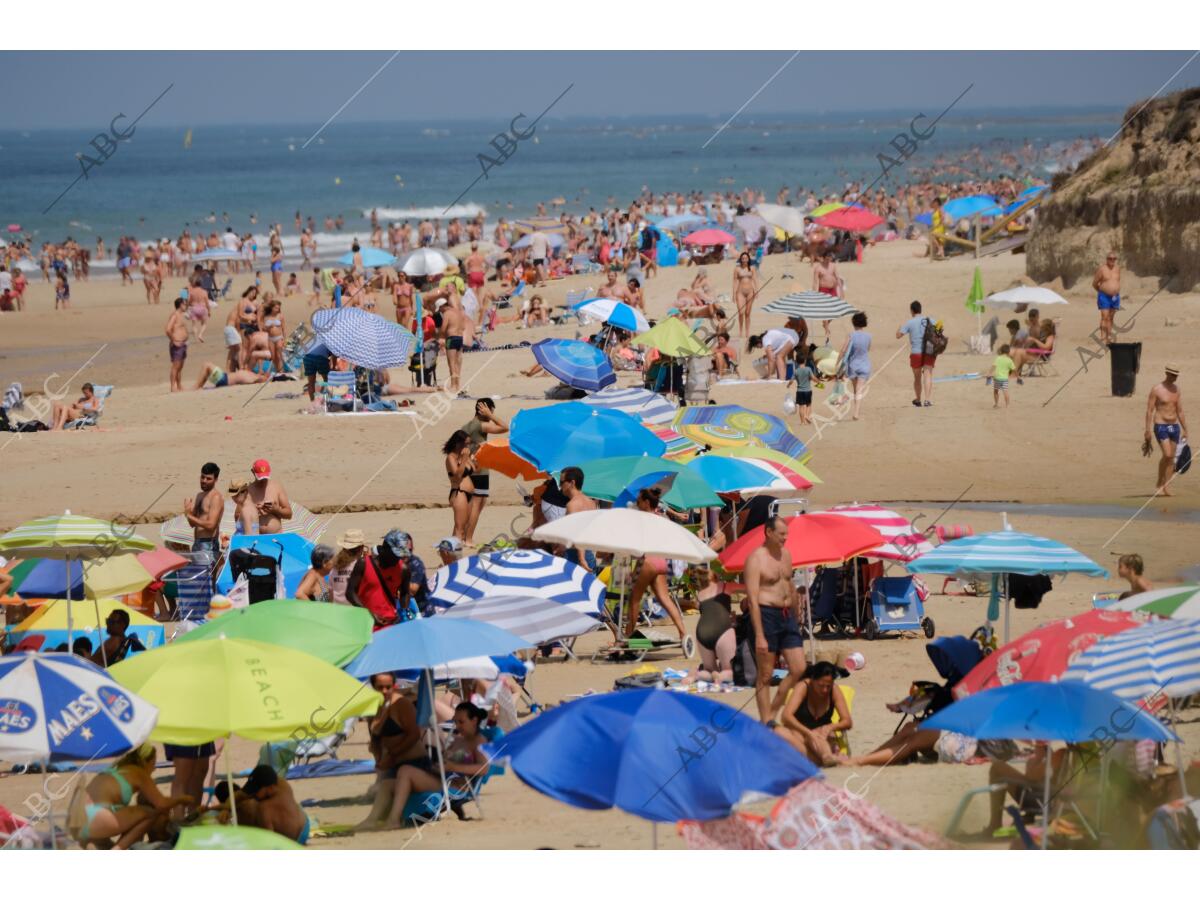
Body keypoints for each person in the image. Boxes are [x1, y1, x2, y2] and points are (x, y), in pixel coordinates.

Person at [374, 701, 490, 831]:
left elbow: (484, 768)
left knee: (406, 771)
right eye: (456, 722)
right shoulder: (458, 740)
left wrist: (453, 767)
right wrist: (440, 760)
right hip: (441, 778)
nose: (458, 726)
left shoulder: (479, 741)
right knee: (387, 785)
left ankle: (394, 820)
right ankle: (371, 820)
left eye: (461, 722)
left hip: (457, 787)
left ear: (474, 720)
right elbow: (446, 760)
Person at [67, 745, 192, 848]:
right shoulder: (139, 773)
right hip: (97, 817)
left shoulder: (117, 769)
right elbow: (161, 803)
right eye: (153, 763)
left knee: (128, 817)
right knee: (150, 813)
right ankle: (118, 850)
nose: (154, 769)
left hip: (77, 821)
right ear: (145, 761)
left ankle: (94, 845)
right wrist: (183, 799)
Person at [745, 515, 805, 724]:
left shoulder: (786, 554)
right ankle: (766, 720)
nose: (785, 538)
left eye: (786, 534)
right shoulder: (755, 559)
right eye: (781, 534)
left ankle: (771, 713)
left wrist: (797, 616)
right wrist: (760, 635)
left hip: (787, 615)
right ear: (768, 532)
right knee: (765, 674)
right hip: (766, 614)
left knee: (799, 668)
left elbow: (789, 586)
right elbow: (752, 600)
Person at [358, 673, 433, 828]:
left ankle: (393, 821)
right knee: (380, 789)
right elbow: (376, 739)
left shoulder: (401, 704)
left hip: (415, 763)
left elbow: (414, 735)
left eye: (388, 687)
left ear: (394, 685)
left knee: (389, 784)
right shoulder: (374, 708)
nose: (384, 691)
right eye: (380, 687)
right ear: (373, 687)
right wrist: (379, 757)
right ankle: (370, 821)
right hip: (393, 764)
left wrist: (392, 756)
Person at [623, 489, 689, 645]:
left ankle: (628, 636)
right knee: (665, 599)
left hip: (648, 561)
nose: (637, 504)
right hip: (661, 562)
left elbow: (639, 548)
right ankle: (683, 633)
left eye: (639, 501)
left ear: (646, 502)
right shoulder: (662, 517)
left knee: (634, 599)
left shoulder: (642, 520)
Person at [778, 661, 853, 767]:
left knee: (820, 735)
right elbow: (786, 716)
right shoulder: (803, 687)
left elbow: (847, 721)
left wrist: (830, 727)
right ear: (813, 680)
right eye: (821, 685)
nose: (825, 690)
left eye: (828, 686)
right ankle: (825, 759)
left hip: (821, 736)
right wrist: (809, 733)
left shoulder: (834, 690)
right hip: (800, 732)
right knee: (783, 733)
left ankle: (826, 756)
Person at [461, 398, 508, 544]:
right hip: (480, 470)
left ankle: (462, 536)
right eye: (491, 411)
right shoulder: (481, 425)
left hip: (468, 468)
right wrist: (491, 415)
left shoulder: (467, 426)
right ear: (484, 410)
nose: (492, 414)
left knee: (472, 504)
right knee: (477, 503)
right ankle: (468, 539)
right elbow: (505, 427)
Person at [236, 765, 313, 845]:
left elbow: (270, 841)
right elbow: (244, 794)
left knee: (249, 808)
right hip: (305, 826)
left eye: (256, 790)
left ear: (270, 788)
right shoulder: (283, 784)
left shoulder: (264, 808)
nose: (253, 793)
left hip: (292, 840)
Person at [1144, 365, 1187, 497]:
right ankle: (1160, 480)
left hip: (1174, 426)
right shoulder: (1157, 389)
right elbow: (1150, 410)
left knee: (1171, 458)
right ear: (1167, 374)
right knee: (1167, 455)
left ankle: (1165, 486)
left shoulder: (1176, 390)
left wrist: (1185, 428)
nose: (1175, 377)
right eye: (1173, 375)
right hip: (1161, 425)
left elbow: (1179, 410)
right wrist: (1147, 430)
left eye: (1176, 375)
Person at [680, 591, 736, 688]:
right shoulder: (724, 587)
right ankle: (720, 676)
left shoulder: (700, 594)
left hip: (702, 629)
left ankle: (695, 676)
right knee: (730, 670)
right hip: (723, 629)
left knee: (708, 669)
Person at [184, 461, 224, 581]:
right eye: (202, 477)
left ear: (215, 479)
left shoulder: (216, 497)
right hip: (197, 543)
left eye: (208, 478)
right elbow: (192, 524)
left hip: (208, 544)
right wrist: (188, 511)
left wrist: (189, 516)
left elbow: (211, 525)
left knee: (205, 581)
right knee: (197, 580)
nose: (204, 481)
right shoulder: (199, 495)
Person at [898, 300, 934, 407]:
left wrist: (899, 328)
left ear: (912, 311)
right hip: (929, 351)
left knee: (917, 378)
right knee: (927, 375)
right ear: (920, 309)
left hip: (916, 353)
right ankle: (927, 400)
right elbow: (940, 329)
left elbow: (898, 335)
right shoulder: (929, 320)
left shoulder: (910, 322)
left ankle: (918, 399)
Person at [443, 430, 476, 542]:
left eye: (469, 444)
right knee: (459, 528)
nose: (468, 447)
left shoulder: (464, 457)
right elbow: (457, 476)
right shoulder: (451, 458)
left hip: (470, 494)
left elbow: (475, 469)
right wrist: (464, 459)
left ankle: (449, 550)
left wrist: (474, 459)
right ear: (458, 443)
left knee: (464, 525)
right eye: (466, 444)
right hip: (459, 493)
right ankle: (455, 553)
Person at [244, 458, 292, 534]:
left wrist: (276, 510)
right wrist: (253, 512)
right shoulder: (247, 491)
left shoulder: (277, 487)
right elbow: (237, 516)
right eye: (260, 478)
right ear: (252, 472)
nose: (263, 480)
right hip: (255, 536)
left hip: (276, 536)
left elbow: (289, 514)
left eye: (265, 477)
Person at [838, 311, 871, 420]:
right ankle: (856, 413)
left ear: (854, 323)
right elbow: (867, 349)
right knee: (859, 389)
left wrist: (837, 362)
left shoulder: (851, 335)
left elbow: (843, 350)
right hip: (865, 365)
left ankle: (850, 406)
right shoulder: (868, 336)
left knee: (855, 388)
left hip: (853, 366)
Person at [328, 530, 367, 606]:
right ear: (361, 548)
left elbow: (330, 592)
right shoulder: (360, 565)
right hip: (355, 609)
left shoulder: (335, 566)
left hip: (337, 609)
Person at [811, 250, 841, 340]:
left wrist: (841, 291)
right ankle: (827, 330)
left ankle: (826, 323)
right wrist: (815, 294)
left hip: (833, 289)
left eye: (830, 258)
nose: (828, 260)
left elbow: (837, 278)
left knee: (835, 310)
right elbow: (815, 282)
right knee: (825, 311)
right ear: (823, 258)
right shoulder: (818, 268)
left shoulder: (833, 266)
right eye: (827, 259)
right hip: (823, 290)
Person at [1093, 251, 1121, 344]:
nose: (1112, 260)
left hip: (1115, 297)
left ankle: (1108, 337)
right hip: (1104, 296)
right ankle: (1102, 337)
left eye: (1114, 259)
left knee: (1111, 318)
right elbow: (1094, 283)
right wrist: (1102, 292)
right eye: (1110, 258)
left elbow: (1117, 281)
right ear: (1107, 259)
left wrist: (1114, 290)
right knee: (1104, 316)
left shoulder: (1117, 269)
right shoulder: (1102, 269)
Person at [732, 251, 759, 343]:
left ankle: (747, 331)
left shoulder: (752, 268)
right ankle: (740, 331)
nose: (744, 260)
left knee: (747, 313)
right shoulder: (737, 269)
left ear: (748, 259)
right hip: (740, 292)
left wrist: (756, 290)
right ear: (740, 259)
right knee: (740, 312)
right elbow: (735, 282)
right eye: (743, 258)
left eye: (746, 258)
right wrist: (733, 293)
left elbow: (755, 279)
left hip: (750, 292)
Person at [790, 342, 819, 424]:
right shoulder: (808, 369)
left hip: (799, 391)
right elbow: (813, 378)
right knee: (808, 404)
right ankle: (807, 416)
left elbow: (791, 380)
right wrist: (818, 381)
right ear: (805, 361)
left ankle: (802, 421)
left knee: (801, 406)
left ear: (797, 362)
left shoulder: (796, 371)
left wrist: (788, 385)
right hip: (808, 390)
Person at [165, 298, 189, 392]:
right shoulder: (175, 315)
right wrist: (173, 340)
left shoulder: (181, 315)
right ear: (180, 305)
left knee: (180, 366)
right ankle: (173, 386)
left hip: (183, 343)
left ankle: (179, 385)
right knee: (175, 366)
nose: (186, 305)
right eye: (185, 304)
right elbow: (167, 329)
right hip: (177, 344)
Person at [192, 362, 269, 390]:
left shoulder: (254, 378)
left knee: (207, 365)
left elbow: (262, 380)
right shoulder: (253, 375)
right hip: (224, 378)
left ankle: (197, 387)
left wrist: (265, 378)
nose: (264, 373)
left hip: (224, 380)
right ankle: (199, 386)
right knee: (206, 368)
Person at [991, 344, 1015, 409]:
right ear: (1008, 352)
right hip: (1005, 379)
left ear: (1001, 351)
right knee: (1005, 391)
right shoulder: (1009, 360)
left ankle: (996, 404)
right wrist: (1012, 376)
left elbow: (993, 366)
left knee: (996, 391)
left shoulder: (998, 358)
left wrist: (989, 373)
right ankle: (1007, 405)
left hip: (997, 378)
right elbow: (1013, 369)